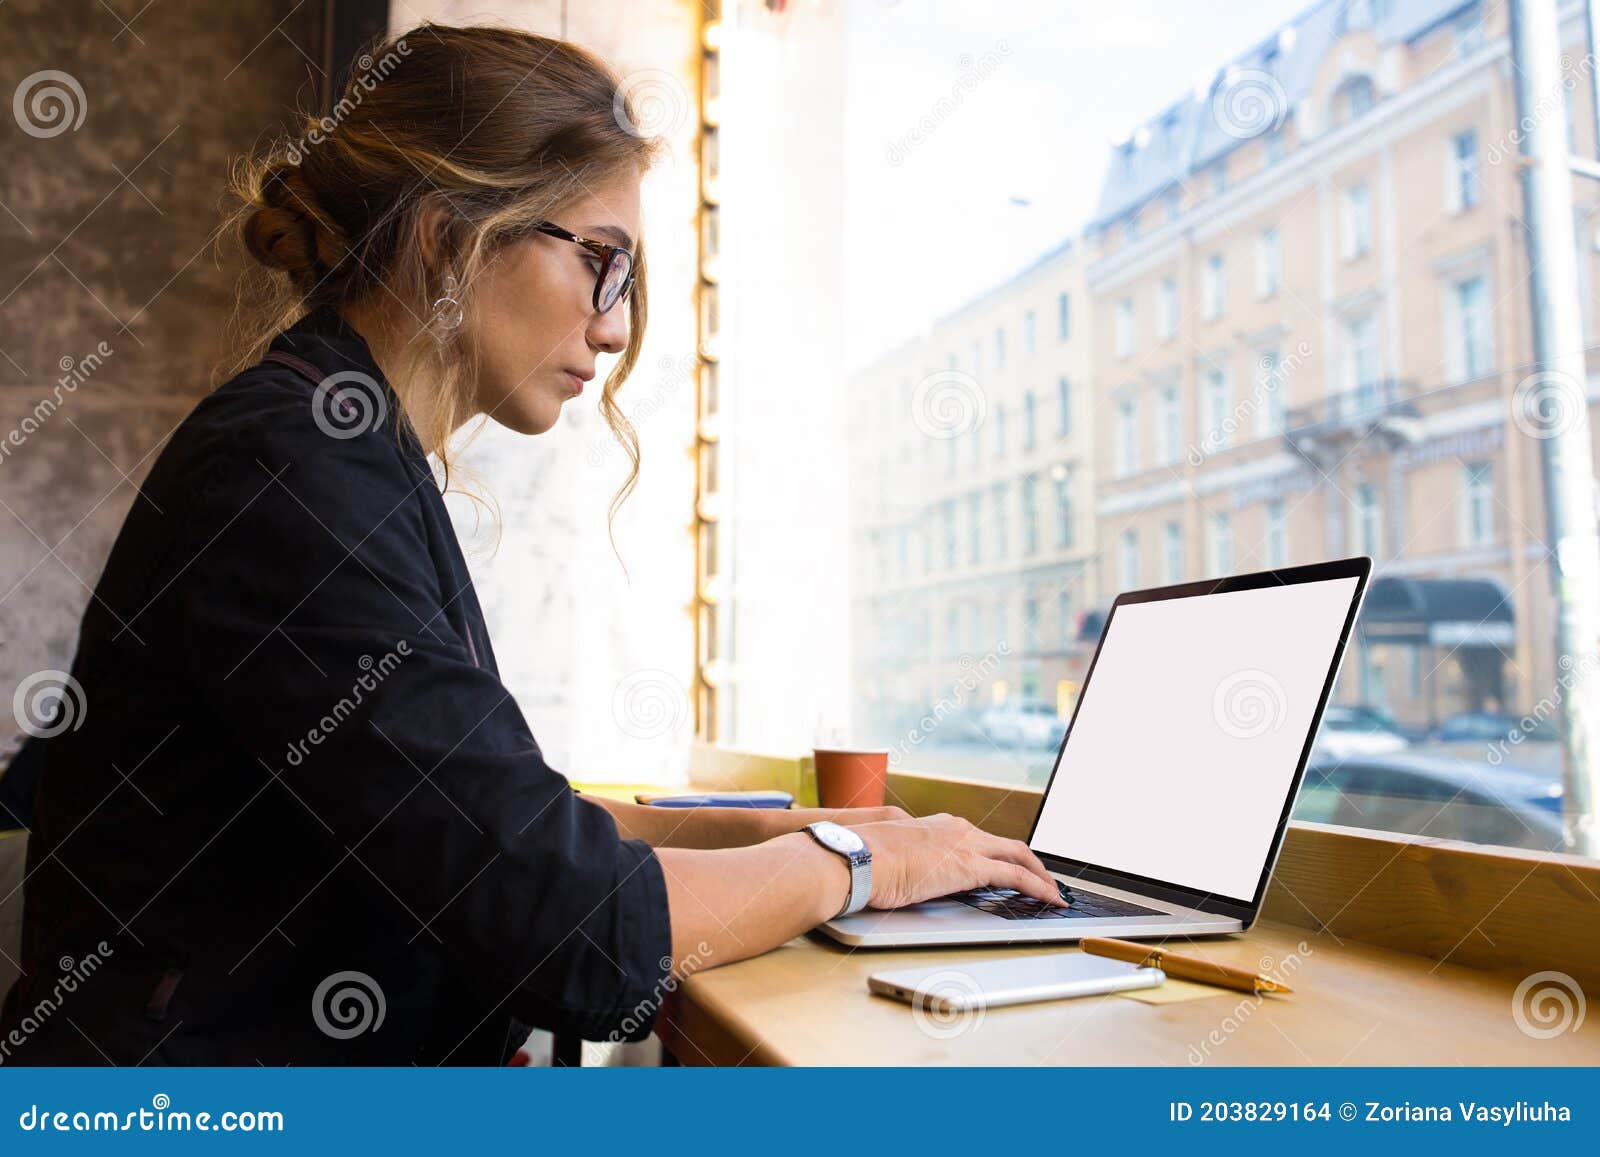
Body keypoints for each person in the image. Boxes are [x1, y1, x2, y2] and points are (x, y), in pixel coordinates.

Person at [0, 23, 1061, 1066]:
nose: (611, 324)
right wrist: (856, 859)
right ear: (444, 232)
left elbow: (516, 830)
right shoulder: (292, 469)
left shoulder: (345, 447)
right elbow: (575, 930)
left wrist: (837, 835)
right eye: (601, 261)